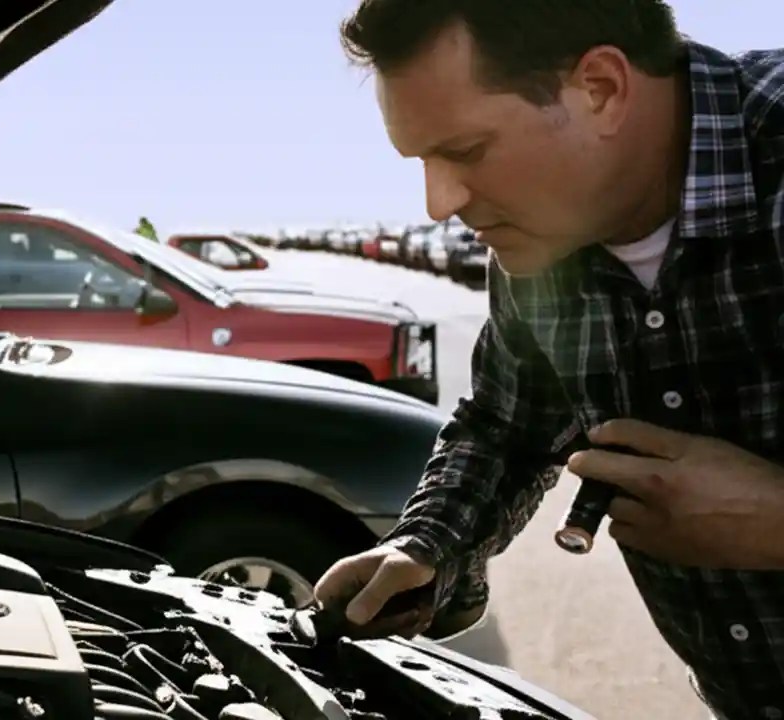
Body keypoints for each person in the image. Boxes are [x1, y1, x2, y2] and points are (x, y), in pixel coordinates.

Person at [313, 1, 784, 717]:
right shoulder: (541, 240)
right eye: (423, 163)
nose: (441, 204)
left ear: (600, 88)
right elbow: (505, 424)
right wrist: (426, 545)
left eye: (466, 151)